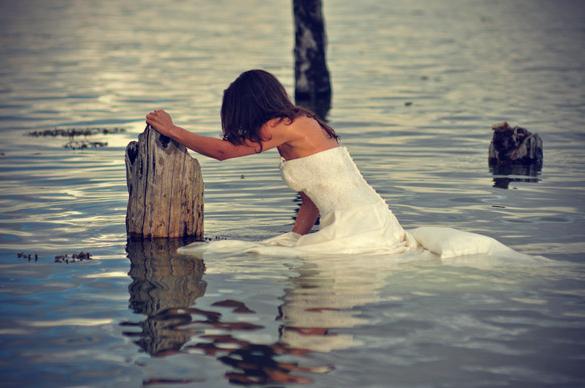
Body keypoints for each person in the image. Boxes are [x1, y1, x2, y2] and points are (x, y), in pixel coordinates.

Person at [145, 69, 536, 262]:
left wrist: (173, 130)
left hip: (358, 222)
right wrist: (295, 235)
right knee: (274, 251)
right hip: (371, 215)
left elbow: (225, 152)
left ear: (253, 106)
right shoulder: (301, 123)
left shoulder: (282, 127)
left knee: (221, 255)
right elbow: (313, 198)